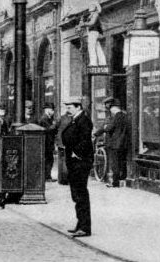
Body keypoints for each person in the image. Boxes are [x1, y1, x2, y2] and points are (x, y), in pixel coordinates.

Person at [61, 97, 93, 238]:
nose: (67, 109)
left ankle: (85, 227)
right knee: (76, 194)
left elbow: (85, 140)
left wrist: (76, 153)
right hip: (74, 162)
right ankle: (80, 224)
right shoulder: (75, 119)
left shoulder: (83, 120)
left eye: (70, 107)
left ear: (78, 107)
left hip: (80, 162)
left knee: (80, 194)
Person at [94, 97, 131, 188]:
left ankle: (115, 183)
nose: (111, 111)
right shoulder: (125, 116)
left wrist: (104, 128)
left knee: (115, 163)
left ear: (114, 108)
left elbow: (109, 128)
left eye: (111, 109)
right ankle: (122, 179)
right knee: (122, 162)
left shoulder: (116, 116)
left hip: (115, 143)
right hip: (123, 143)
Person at [37, 102, 58, 182]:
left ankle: (47, 176)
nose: (53, 112)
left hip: (49, 142)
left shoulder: (49, 118)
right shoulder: (44, 119)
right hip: (45, 143)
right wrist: (54, 125)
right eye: (52, 110)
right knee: (47, 159)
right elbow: (47, 130)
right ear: (47, 110)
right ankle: (46, 177)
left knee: (50, 159)